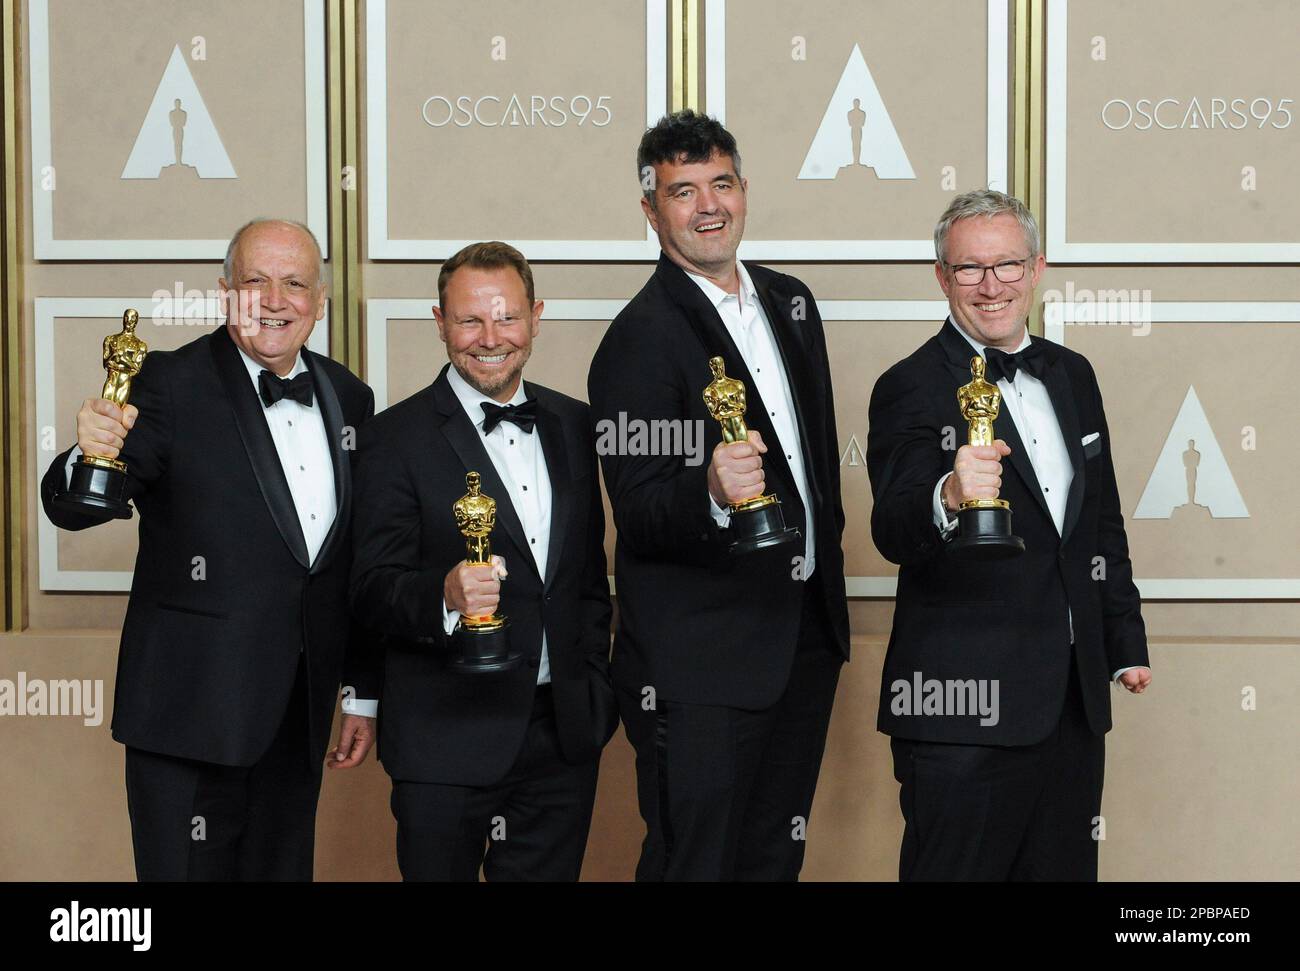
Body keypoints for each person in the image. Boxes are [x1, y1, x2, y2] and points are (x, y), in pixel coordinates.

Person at [41, 218, 377, 881]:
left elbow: (356, 561)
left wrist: (362, 692)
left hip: (298, 716)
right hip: (188, 716)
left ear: (320, 300)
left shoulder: (350, 398)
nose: (275, 300)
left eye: (294, 283)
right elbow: (76, 506)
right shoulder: (168, 382)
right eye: (255, 281)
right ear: (226, 292)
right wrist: (90, 454)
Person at [587, 110, 850, 881]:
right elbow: (636, 511)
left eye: (721, 184)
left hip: (801, 638)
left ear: (743, 189)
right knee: (693, 863)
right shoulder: (638, 339)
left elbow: (817, 468)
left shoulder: (792, 303)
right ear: (650, 209)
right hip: (697, 665)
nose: (707, 205)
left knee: (773, 857)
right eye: (682, 190)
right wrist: (706, 488)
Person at [866, 189, 1152, 881]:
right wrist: (949, 492)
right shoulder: (908, 385)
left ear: (1037, 267)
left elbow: (1099, 520)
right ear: (942, 276)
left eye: (1007, 265)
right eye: (969, 269)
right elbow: (893, 525)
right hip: (960, 712)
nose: (990, 286)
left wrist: (1122, 640)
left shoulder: (1073, 375)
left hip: (1071, 706)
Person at [349, 241, 616, 881]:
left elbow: (584, 581)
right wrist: (442, 595)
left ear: (536, 316)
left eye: (507, 317)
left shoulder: (575, 425)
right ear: (440, 323)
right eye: (470, 320)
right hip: (444, 736)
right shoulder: (391, 439)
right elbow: (369, 589)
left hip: (563, 735)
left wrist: (597, 692)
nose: (490, 337)